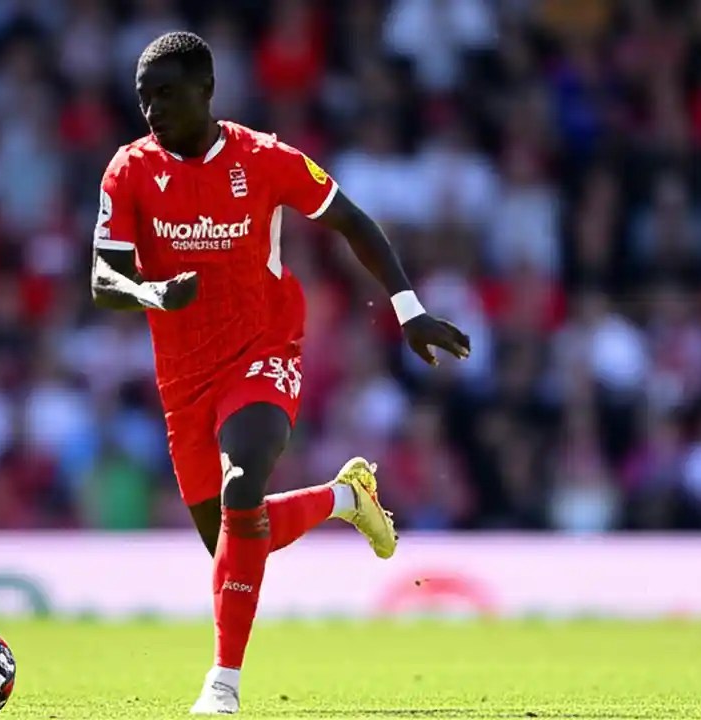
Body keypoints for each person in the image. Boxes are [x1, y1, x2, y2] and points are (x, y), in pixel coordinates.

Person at [90, 31, 470, 714]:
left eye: (168, 95)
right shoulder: (128, 171)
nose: (153, 111)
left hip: (263, 349)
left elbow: (354, 221)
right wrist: (152, 294)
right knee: (235, 540)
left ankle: (222, 686)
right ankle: (345, 499)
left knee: (244, 483)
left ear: (207, 90)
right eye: (144, 98)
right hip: (183, 378)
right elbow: (103, 275)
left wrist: (409, 310)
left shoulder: (264, 158)